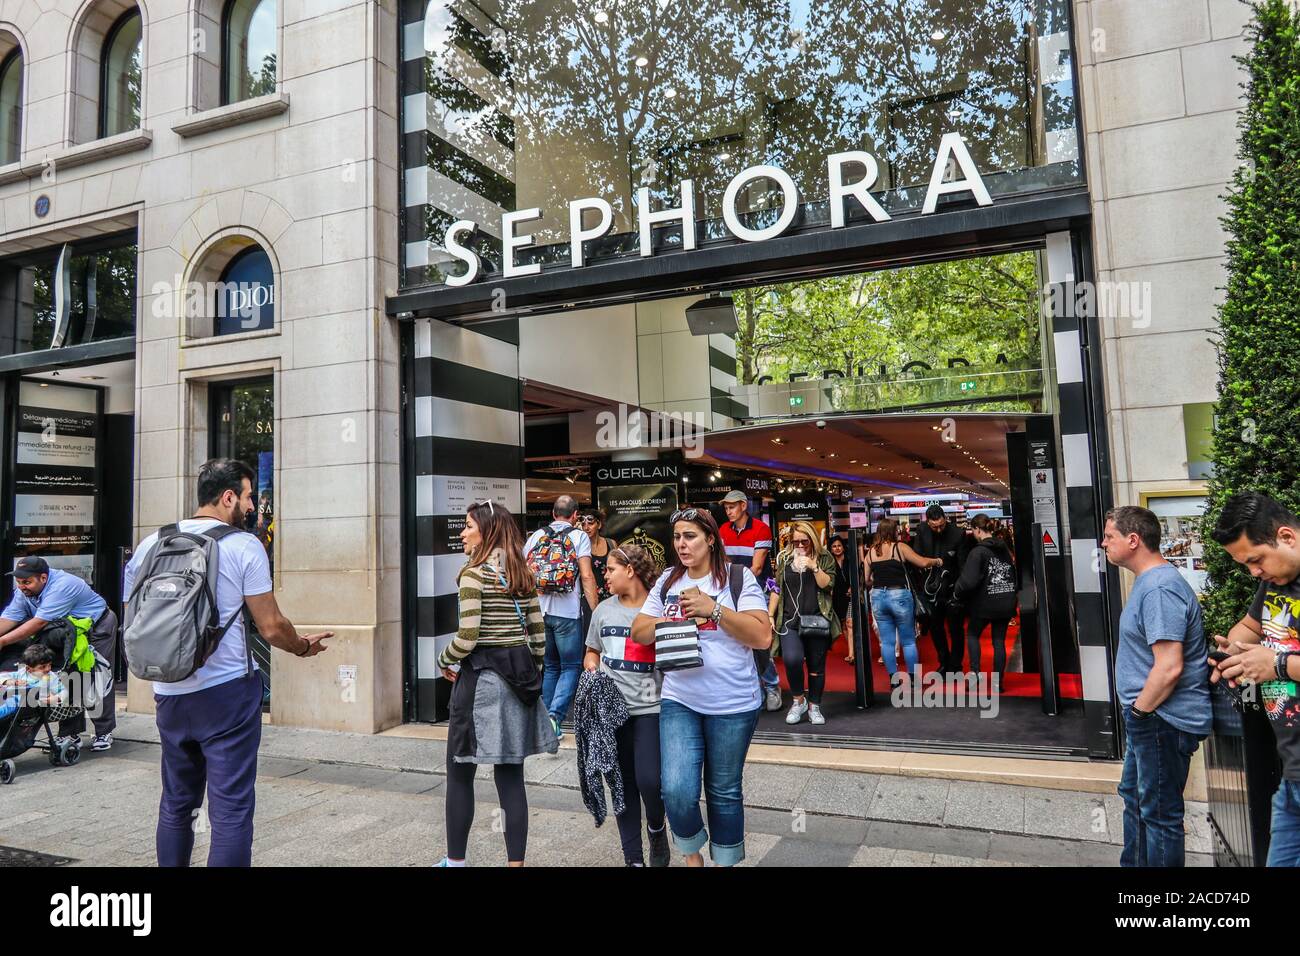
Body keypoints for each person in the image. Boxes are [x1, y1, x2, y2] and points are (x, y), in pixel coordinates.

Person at [125, 459, 332, 867]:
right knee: (231, 810)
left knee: (177, 803)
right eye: (249, 497)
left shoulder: (151, 543)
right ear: (228, 497)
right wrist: (301, 647)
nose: (252, 506)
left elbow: (134, 616)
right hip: (226, 696)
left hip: (168, 692)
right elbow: (271, 626)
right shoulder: (243, 546)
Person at [631, 508, 771, 867]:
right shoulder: (667, 581)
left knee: (724, 791)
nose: (682, 544)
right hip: (680, 698)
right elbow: (639, 631)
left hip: (734, 702)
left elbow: (761, 636)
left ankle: (725, 861)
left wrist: (714, 610)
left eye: (690, 536)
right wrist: (669, 618)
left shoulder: (738, 578)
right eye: (677, 536)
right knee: (676, 789)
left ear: (710, 539)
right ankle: (693, 856)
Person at [438, 499, 556, 867]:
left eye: (468, 526)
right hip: (517, 683)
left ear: (486, 532)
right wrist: (529, 674)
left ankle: (455, 862)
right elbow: (538, 635)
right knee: (510, 778)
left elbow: (468, 637)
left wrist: (443, 659)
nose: (462, 533)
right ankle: (515, 864)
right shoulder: (521, 573)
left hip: (480, 686)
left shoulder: (473, 576)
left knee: (460, 772)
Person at [1101, 505, 1211, 868]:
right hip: (1152, 718)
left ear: (1133, 540)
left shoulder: (1159, 588)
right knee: (1136, 801)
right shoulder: (1150, 583)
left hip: (1161, 720)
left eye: (1110, 536)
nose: (1103, 543)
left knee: (1159, 814)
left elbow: (1169, 666)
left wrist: (1139, 713)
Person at [1207, 492, 1300, 867]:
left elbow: (1277, 662)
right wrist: (1233, 653)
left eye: (1256, 560)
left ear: (1286, 536)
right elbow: (1247, 628)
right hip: (1292, 775)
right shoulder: (1275, 583)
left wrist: (1277, 664)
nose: (1254, 572)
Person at [583, 543, 670, 867]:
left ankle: (656, 828)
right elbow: (592, 651)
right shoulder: (603, 611)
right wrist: (592, 667)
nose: (604, 576)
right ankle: (633, 859)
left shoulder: (658, 608)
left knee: (650, 781)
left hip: (651, 709)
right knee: (621, 787)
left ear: (630, 570)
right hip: (612, 713)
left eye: (610, 569)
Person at [0, 556, 117, 751]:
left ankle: (103, 731)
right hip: (63, 632)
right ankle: (70, 734)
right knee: (64, 677)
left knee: (95, 676)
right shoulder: (24, 590)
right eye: (18, 582)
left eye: (26, 582)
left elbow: (39, 622)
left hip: (96, 627)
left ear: (43, 578)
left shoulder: (63, 586)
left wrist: (3, 641)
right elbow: (9, 618)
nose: (21, 586)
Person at [524, 495, 600, 739]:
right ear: (575, 515)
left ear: (553, 513)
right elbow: (586, 576)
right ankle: (555, 717)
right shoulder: (579, 537)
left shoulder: (536, 536)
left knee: (551, 667)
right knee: (571, 666)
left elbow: (525, 573)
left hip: (540, 611)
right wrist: (597, 611)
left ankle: (544, 723)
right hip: (567, 612)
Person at [718, 490, 782, 712]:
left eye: (732, 507)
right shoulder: (723, 530)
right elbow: (722, 562)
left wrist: (732, 583)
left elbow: (756, 567)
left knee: (758, 641)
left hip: (757, 590)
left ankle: (772, 685)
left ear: (743, 506)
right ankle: (754, 686)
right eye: (726, 508)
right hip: (731, 590)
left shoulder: (761, 529)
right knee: (736, 641)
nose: (728, 511)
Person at [772, 522, 839, 725]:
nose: (800, 546)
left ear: (812, 539)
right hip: (789, 620)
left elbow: (828, 585)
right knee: (791, 660)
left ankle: (814, 706)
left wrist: (814, 566)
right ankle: (798, 700)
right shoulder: (784, 558)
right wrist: (770, 614)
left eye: (804, 541)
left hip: (816, 619)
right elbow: (776, 587)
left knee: (816, 666)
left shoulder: (825, 557)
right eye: (796, 542)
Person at [863, 518, 941, 684]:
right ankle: (913, 679)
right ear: (893, 531)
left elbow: (867, 580)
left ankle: (893, 679)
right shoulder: (899, 547)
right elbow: (922, 562)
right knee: (908, 641)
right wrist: (937, 561)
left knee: (887, 642)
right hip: (899, 595)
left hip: (878, 596)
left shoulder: (870, 552)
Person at [954, 514, 1019, 688]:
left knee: (972, 634)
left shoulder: (978, 552)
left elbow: (968, 581)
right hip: (1005, 599)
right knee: (999, 642)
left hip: (985, 602)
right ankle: (998, 683)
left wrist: (957, 592)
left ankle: (975, 675)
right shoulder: (1004, 549)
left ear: (977, 529)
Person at [913, 504, 972, 672]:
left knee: (956, 629)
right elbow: (917, 557)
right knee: (935, 628)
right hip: (930, 589)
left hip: (952, 588)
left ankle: (956, 665)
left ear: (945, 519)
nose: (938, 530)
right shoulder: (922, 530)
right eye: (934, 527)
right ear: (928, 522)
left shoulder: (958, 533)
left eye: (941, 525)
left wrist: (959, 593)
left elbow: (963, 565)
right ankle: (944, 662)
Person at [0, 644, 65, 719]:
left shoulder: (51, 677)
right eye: (43, 667)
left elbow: (63, 690)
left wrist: (56, 698)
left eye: (50, 665)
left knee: (8, 707)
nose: (48, 669)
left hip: (30, 706)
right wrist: (10, 681)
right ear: (28, 669)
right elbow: (2, 676)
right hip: (13, 698)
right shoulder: (22, 673)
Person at [579, 509, 616, 638]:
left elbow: (618, 568)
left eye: (590, 523)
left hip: (609, 594)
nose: (586, 527)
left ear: (599, 524)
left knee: (610, 632)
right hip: (588, 596)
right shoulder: (580, 546)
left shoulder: (611, 543)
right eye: (583, 524)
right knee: (591, 634)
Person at [829, 536, 856, 664]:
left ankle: (852, 654)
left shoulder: (850, 560)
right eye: (834, 546)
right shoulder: (830, 562)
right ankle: (853, 650)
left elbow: (858, 575)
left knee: (850, 623)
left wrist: (853, 587)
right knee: (844, 624)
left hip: (851, 595)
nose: (837, 548)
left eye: (839, 545)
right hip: (837, 596)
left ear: (843, 547)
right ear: (831, 549)